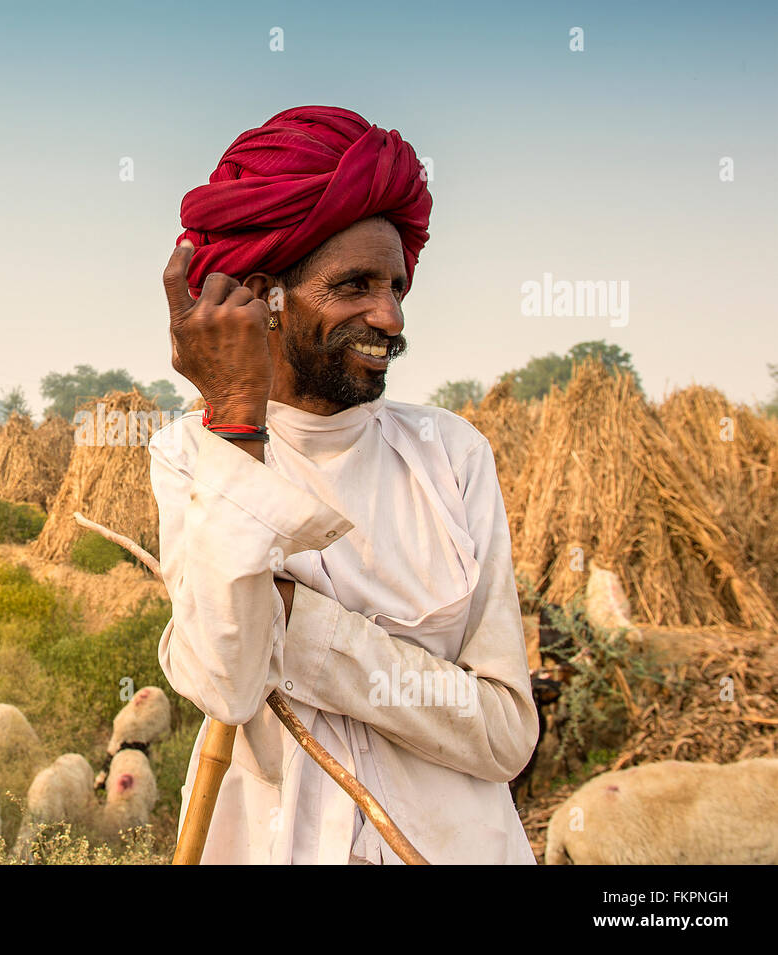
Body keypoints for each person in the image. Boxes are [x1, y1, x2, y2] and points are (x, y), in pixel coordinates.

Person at [150, 105, 538, 864]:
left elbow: (504, 734)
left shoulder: (452, 455)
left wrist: (300, 628)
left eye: (396, 285)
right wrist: (233, 417)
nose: (389, 318)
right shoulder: (191, 454)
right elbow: (228, 685)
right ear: (264, 293)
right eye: (353, 285)